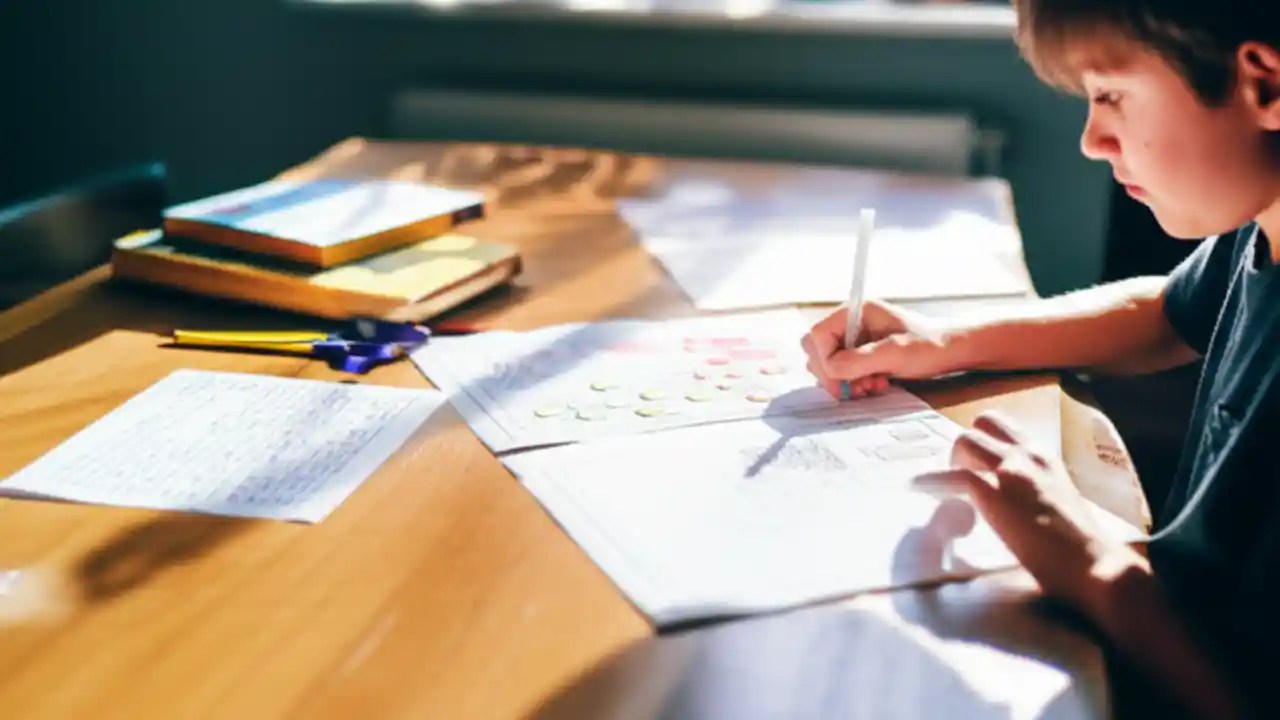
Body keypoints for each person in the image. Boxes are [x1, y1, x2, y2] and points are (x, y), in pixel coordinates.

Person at [802, 2, 1280, 717]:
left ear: (1264, 85)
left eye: (1110, 94)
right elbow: (1164, 313)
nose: (1092, 139)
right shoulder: (1261, 232)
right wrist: (946, 343)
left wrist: (1091, 562)